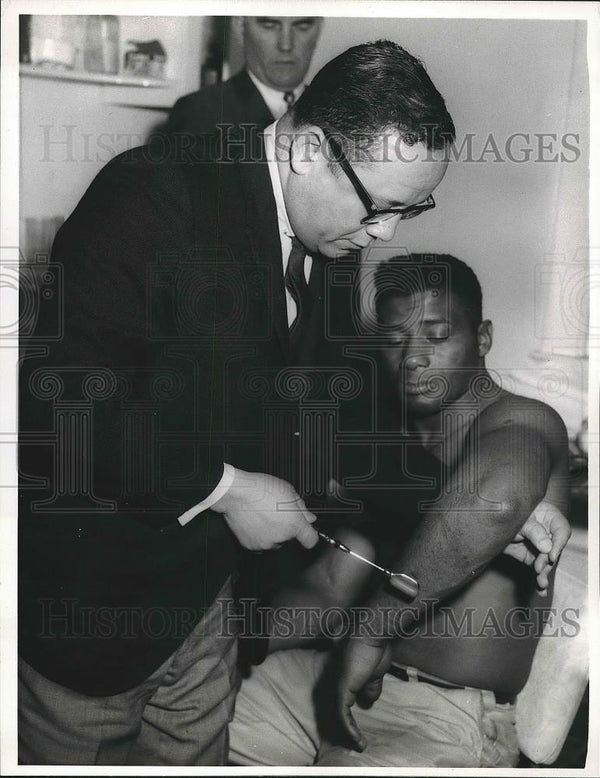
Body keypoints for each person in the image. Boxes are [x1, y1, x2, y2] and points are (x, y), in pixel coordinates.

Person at [18, 42, 562, 766]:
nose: (387, 234)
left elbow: (342, 422)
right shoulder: (150, 195)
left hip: (207, 614)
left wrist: (484, 507)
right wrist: (225, 488)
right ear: (308, 150)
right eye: (382, 207)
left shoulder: (333, 239)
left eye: (411, 208)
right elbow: (64, 414)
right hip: (93, 622)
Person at [228, 254, 571, 768]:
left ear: (481, 339)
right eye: (393, 340)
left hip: (443, 714)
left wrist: (372, 631)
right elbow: (327, 587)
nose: (412, 357)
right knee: (187, 710)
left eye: (436, 336)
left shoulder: (524, 421)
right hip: (338, 675)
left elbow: (494, 502)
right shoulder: (392, 444)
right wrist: (228, 643)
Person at [164, 16, 323, 138]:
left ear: (319, 28)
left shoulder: (334, 107)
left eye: (302, 26)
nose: (286, 44)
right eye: (269, 26)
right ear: (240, 27)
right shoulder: (198, 113)